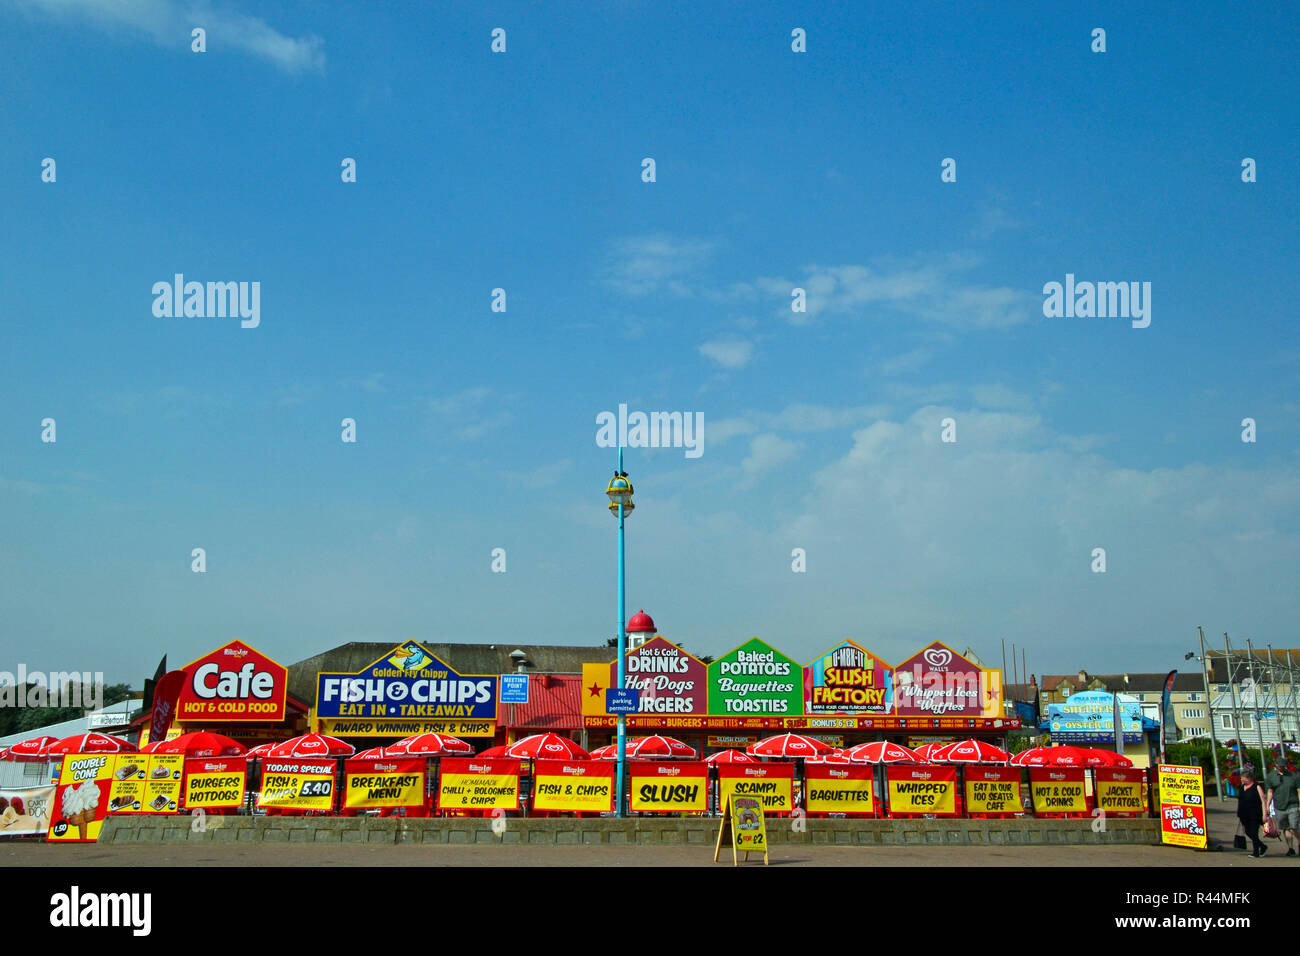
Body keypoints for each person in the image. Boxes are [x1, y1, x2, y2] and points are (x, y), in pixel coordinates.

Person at [1266, 758, 1299, 857]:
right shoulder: (1271, 777)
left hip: (1293, 804)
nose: (1281, 767)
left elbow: (1299, 791)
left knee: (1294, 827)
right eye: (1280, 766)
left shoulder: (1293, 776)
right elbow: (1270, 791)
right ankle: (1291, 848)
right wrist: (1267, 805)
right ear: (1275, 765)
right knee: (1286, 828)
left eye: (1283, 766)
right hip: (1279, 806)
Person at [1237, 768, 1268, 858]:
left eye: (1243, 778)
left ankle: (1256, 852)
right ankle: (1262, 846)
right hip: (1244, 814)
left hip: (1255, 814)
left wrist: (1264, 814)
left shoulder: (1257, 787)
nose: (1241, 779)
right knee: (1248, 832)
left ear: (1249, 778)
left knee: (1254, 833)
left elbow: (1263, 801)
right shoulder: (1242, 787)